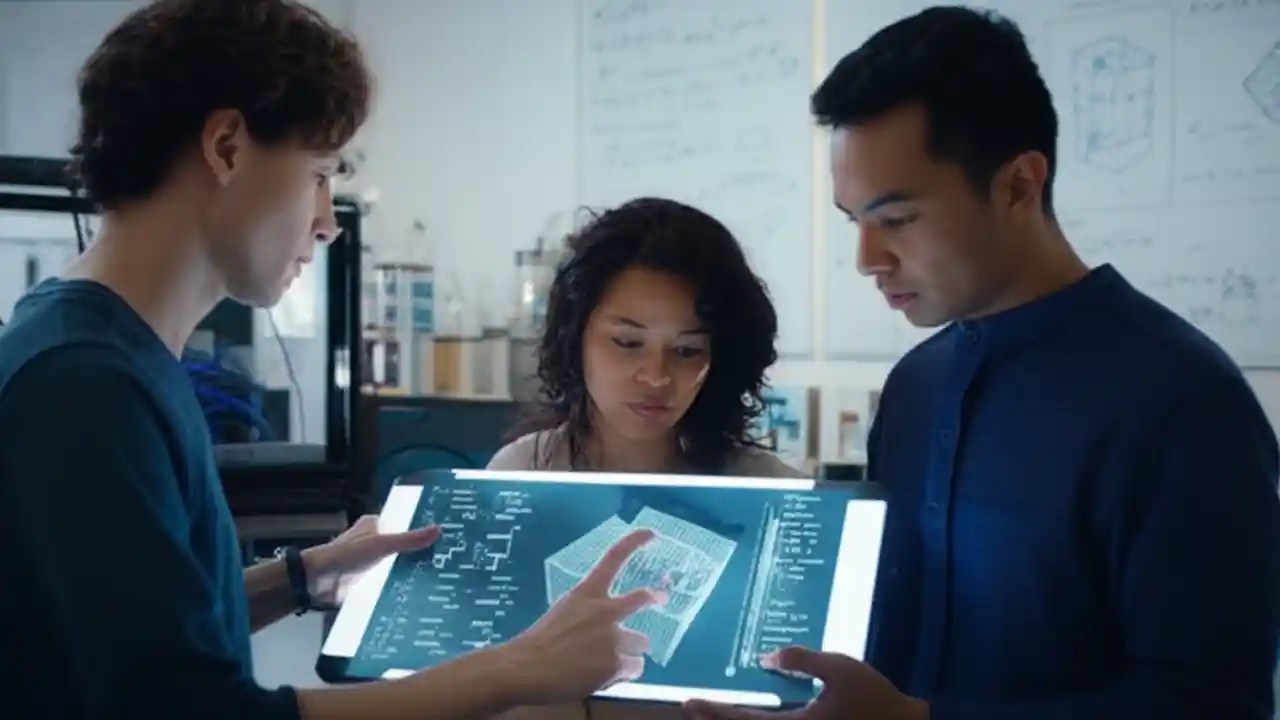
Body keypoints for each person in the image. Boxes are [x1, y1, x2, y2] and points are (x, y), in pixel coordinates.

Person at [0, 2, 664, 719]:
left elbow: (142, 638)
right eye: (319, 174)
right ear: (227, 147)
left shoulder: (98, 345)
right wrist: (517, 669)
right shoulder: (85, 384)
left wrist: (306, 576)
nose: (326, 223)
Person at [685, 6, 1280, 720]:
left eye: (897, 219)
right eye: (855, 223)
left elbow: (1213, 702)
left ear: (1019, 185)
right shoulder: (915, 386)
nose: (868, 259)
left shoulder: (1182, 402)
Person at [489, 197, 803, 479]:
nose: (656, 377)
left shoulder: (766, 491)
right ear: (574, 339)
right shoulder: (521, 475)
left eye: (686, 350)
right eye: (628, 343)